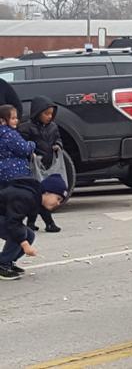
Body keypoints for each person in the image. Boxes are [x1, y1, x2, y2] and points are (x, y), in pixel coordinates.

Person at [0, 173, 67, 280]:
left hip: (5, 218)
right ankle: (2, 264)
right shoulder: (25, 196)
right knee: (19, 233)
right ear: (47, 192)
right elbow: (13, 222)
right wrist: (25, 244)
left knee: (29, 234)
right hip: (6, 218)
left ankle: (8, 261)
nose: (58, 203)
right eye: (58, 198)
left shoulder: (35, 198)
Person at [18, 96, 63, 233]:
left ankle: (31, 223)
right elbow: (22, 145)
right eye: (46, 113)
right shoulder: (26, 128)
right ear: (37, 112)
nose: (49, 117)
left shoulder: (53, 127)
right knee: (39, 196)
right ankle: (49, 223)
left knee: (37, 197)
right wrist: (30, 154)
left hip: (48, 166)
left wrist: (58, 145)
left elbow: (58, 138)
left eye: (51, 114)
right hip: (33, 167)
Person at [0, 105, 35, 183]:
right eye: (13, 118)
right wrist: (31, 144)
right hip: (15, 172)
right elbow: (25, 149)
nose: (16, 120)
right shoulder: (10, 134)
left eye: (16, 118)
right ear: (3, 121)